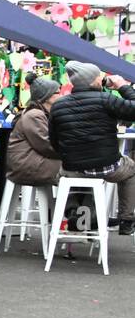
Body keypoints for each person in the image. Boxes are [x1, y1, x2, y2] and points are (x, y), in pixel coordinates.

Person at [48, 60, 135, 234]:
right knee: (131, 169)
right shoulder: (106, 100)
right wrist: (122, 87)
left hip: (73, 167)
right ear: (94, 81)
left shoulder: (58, 105)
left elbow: (54, 141)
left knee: (73, 172)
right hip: (106, 166)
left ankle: (76, 213)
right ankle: (127, 220)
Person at [4, 73, 62, 188]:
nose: (61, 95)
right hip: (28, 166)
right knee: (77, 169)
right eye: (57, 92)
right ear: (47, 96)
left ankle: (71, 204)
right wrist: (71, 152)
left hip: (32, 162)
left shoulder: (41, 113)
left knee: (81, 168)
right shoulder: (35, 115)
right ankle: (73, 205)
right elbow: (46, 145)